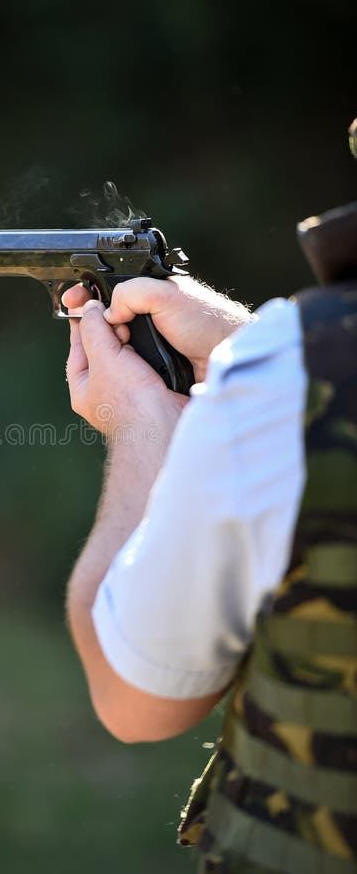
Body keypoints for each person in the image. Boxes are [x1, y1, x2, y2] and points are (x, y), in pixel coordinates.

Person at [62, 157, 357, 870]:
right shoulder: (286, 367)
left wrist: (143, 423)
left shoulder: (295, 365)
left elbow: (132, 699)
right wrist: (245, 355)